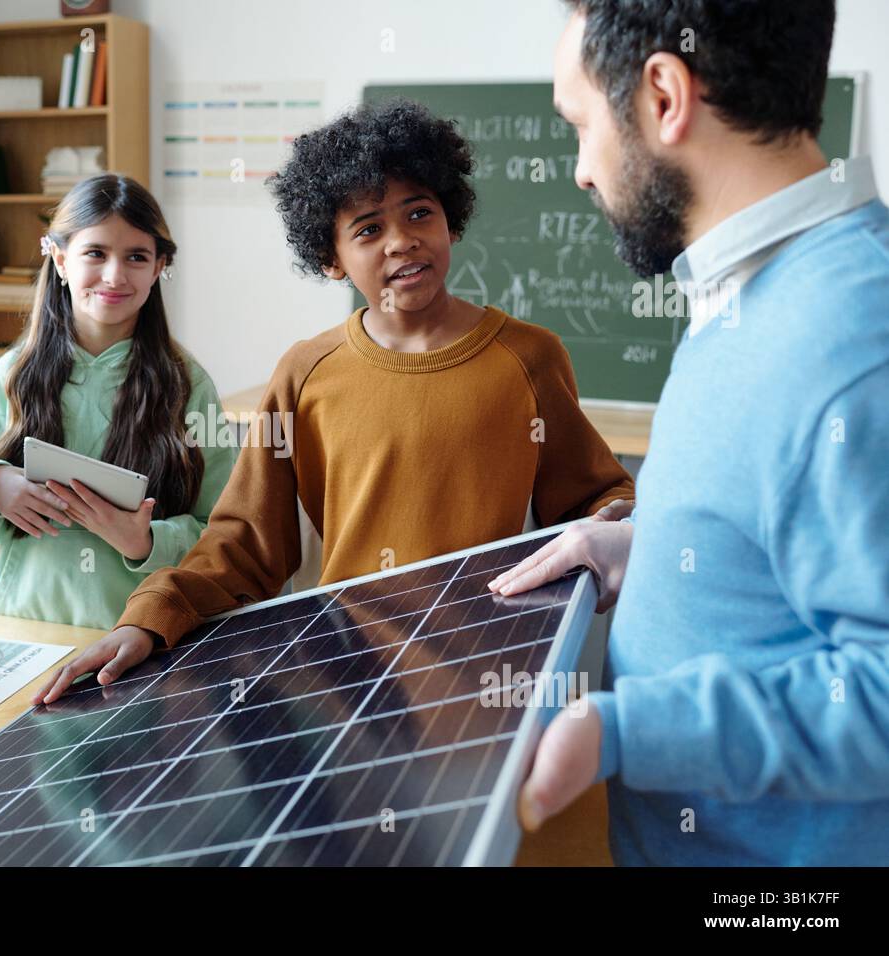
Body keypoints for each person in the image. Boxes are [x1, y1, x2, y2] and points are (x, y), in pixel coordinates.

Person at [35, 100, 634, 703]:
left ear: (451, 221)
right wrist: (151, 615)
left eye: (419, 213)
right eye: (368, 229)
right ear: (330, 258)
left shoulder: (529, 358)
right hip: (356, 676)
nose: (401, 242)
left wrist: (615, 520)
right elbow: (244, 543)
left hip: (491, 665)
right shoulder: (305, 373)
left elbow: (594, 498)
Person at [499, 0, 889, 865]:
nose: (580, 169)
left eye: (580, 124)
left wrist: (629, 728)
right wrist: (645, 546)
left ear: (665, 96)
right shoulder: (751, 290)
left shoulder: (852, 338)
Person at [0, 174, 238, 630]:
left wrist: (146, 542)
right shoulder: (13, 375)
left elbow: (224, 536)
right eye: (95, 253)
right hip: (24, 630)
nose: (115, 275)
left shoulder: (188, 385)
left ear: (159, 267)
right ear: (60, 260)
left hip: (139, 639)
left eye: (136, 257)